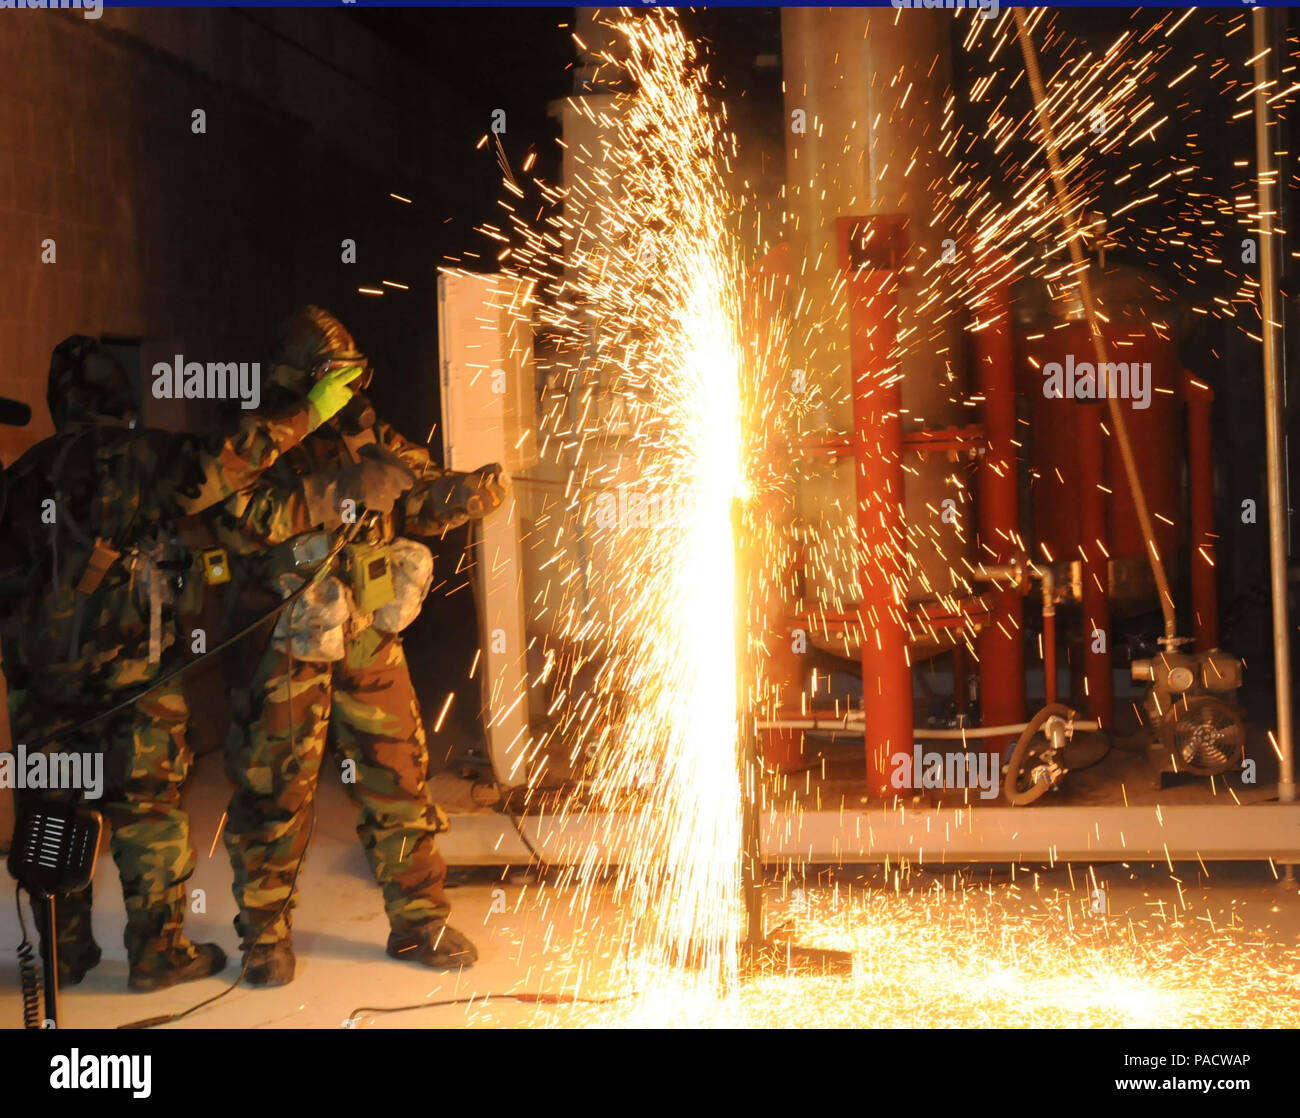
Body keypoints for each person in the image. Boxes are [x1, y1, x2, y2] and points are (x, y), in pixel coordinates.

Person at [0, 335, 362, 990]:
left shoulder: (21, 476)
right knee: (147, 810)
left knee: (51, 809)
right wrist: (312, 407)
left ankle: (62, 947)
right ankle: (156, 954)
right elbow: (224, 464)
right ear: (119, 396)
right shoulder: (140, 455)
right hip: (132, 676)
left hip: (40, 687)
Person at [210, 306, 506, 986]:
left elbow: (415, 497)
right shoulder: (258, 437)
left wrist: (461, 495)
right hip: (287, 641)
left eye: (353, 378)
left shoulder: (364, 431)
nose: (349, 392)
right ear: (299, 378)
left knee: (398, 778)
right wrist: (339, 491)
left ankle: (419, 922)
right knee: (274, 793)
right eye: (334, 380)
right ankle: (263, 938)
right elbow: (237, 518)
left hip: (368, 636)